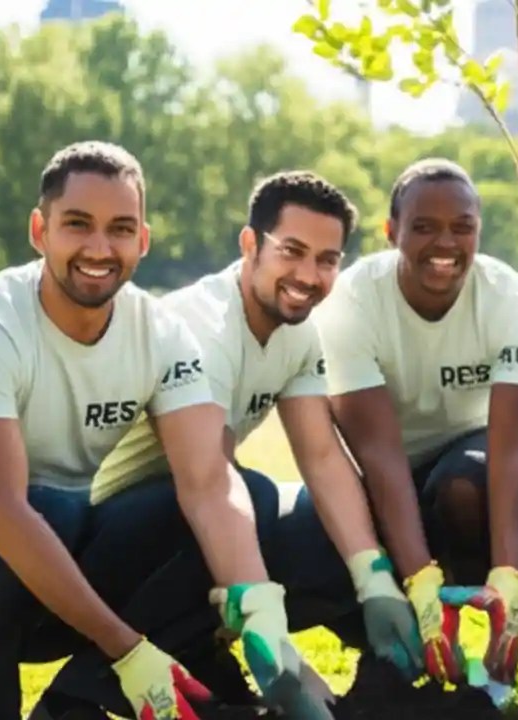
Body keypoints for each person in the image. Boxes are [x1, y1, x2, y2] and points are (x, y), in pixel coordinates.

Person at [0, 141, 327, 720]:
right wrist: (127, 648)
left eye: (120, 228)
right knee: (48, 508)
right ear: (40, 230)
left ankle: (79, 705)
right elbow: (3, 513)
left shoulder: (160, 331)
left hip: (53, 571)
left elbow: (207, 482)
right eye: (77, 225)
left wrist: (263, 614)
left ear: (144, 239)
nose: (98, 248)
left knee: (246, 495)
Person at [75, 170, 424, 697]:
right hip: (93, 531)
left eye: (326, 260)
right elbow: (209, 479)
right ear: (249, 244)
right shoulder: (204, 327)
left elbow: (323, 458)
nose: (308, 274)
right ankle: (78, 691)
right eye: (292, 251)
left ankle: (205, 661)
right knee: (250, 495)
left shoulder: (301, 332)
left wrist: (373, 579)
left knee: (318, 521)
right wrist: (268, 622)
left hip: (182, 515)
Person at [312, 157, 518, 688]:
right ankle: (401, 644)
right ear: (391, 231)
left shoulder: (512, 300)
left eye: (462, 228)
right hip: (381, 467)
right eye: (423, 227)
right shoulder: (352, 301)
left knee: (467, 487)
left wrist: (509, 575)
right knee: (319, 536)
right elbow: (378, 453)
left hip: (468, 456)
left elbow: (514, 449)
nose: (445, 244)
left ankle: (483, 655)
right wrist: (418, 578)